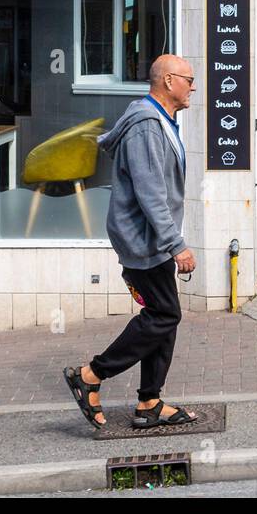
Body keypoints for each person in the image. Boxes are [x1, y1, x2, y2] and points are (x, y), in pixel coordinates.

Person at [63, 54, 199, 430]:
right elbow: (150, 193)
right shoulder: (145, 126)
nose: (194, 87)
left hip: (151, 239)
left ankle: (149, 402)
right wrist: (176, 244)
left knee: (163, 317)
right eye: (189, 79)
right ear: (169, 81)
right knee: (164, 315)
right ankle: (90, 374)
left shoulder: (159, 121)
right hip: (144, 240)